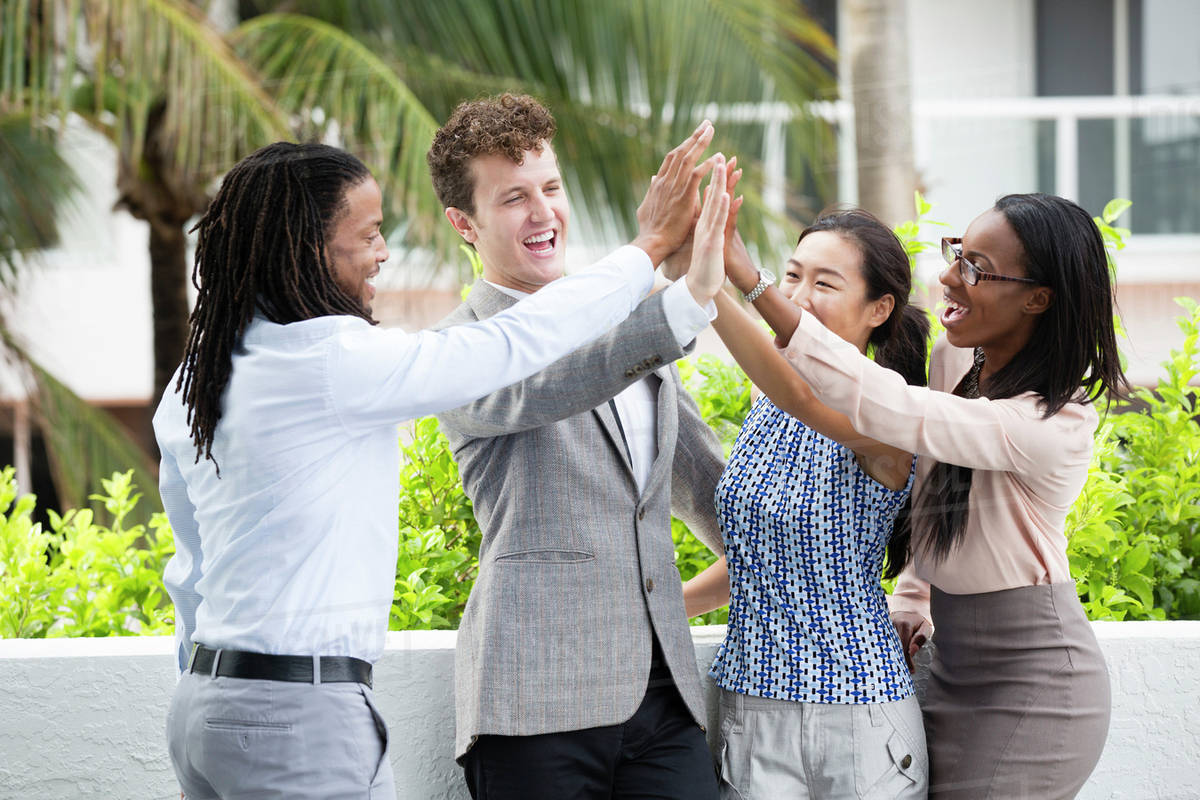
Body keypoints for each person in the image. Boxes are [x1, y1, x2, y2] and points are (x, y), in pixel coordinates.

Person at [156, 133, 726, 799]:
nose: (382, 254)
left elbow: (189, 567)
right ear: (306, 246)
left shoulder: (198, 376)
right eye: (367, 234)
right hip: (299, 716)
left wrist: (210, 688)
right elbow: (514, 346)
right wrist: (650, 253)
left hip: (206, 704)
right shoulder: (336, 360)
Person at [729, 192, 1124, 799]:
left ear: (1037, 298)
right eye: (957, 255)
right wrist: (914, 592)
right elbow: (932, 495)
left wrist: (749, 284)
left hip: (1036, 684)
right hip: (948, 665)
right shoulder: (957, 359)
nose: (948, 277)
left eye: (976, 268)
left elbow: (890, 408)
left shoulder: (1051, 424)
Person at [426, 93, 730, 799]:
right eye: (513, 199)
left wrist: (901, 574)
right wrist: (675, 293)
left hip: (662, 700)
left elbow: (721, 497)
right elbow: (548, 382)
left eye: (551, 189)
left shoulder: (633, 330)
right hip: (532, 704)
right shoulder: (455, 348)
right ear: (462, 223)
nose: (543, 214)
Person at [681, 205, 931, 799]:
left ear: (880, 310)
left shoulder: (891, 410)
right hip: (751, 705)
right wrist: (651, 614)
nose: (799, 294)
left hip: (861, 714)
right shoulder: (766, 409)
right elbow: (760, 561)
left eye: (825, 283)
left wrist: (726, 280)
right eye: (793, 275)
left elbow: (803, 393)